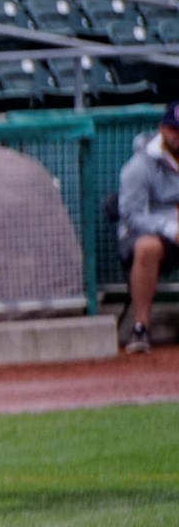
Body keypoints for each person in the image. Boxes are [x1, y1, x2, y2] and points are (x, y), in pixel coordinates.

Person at [116, 98, 179, 354]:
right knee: (147, 248)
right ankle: (140, 328)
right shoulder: (141, 164)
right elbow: (132, 215)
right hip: (145, 232)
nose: (178, 136)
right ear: (162, 128)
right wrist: (171, 227)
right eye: (174, 129)